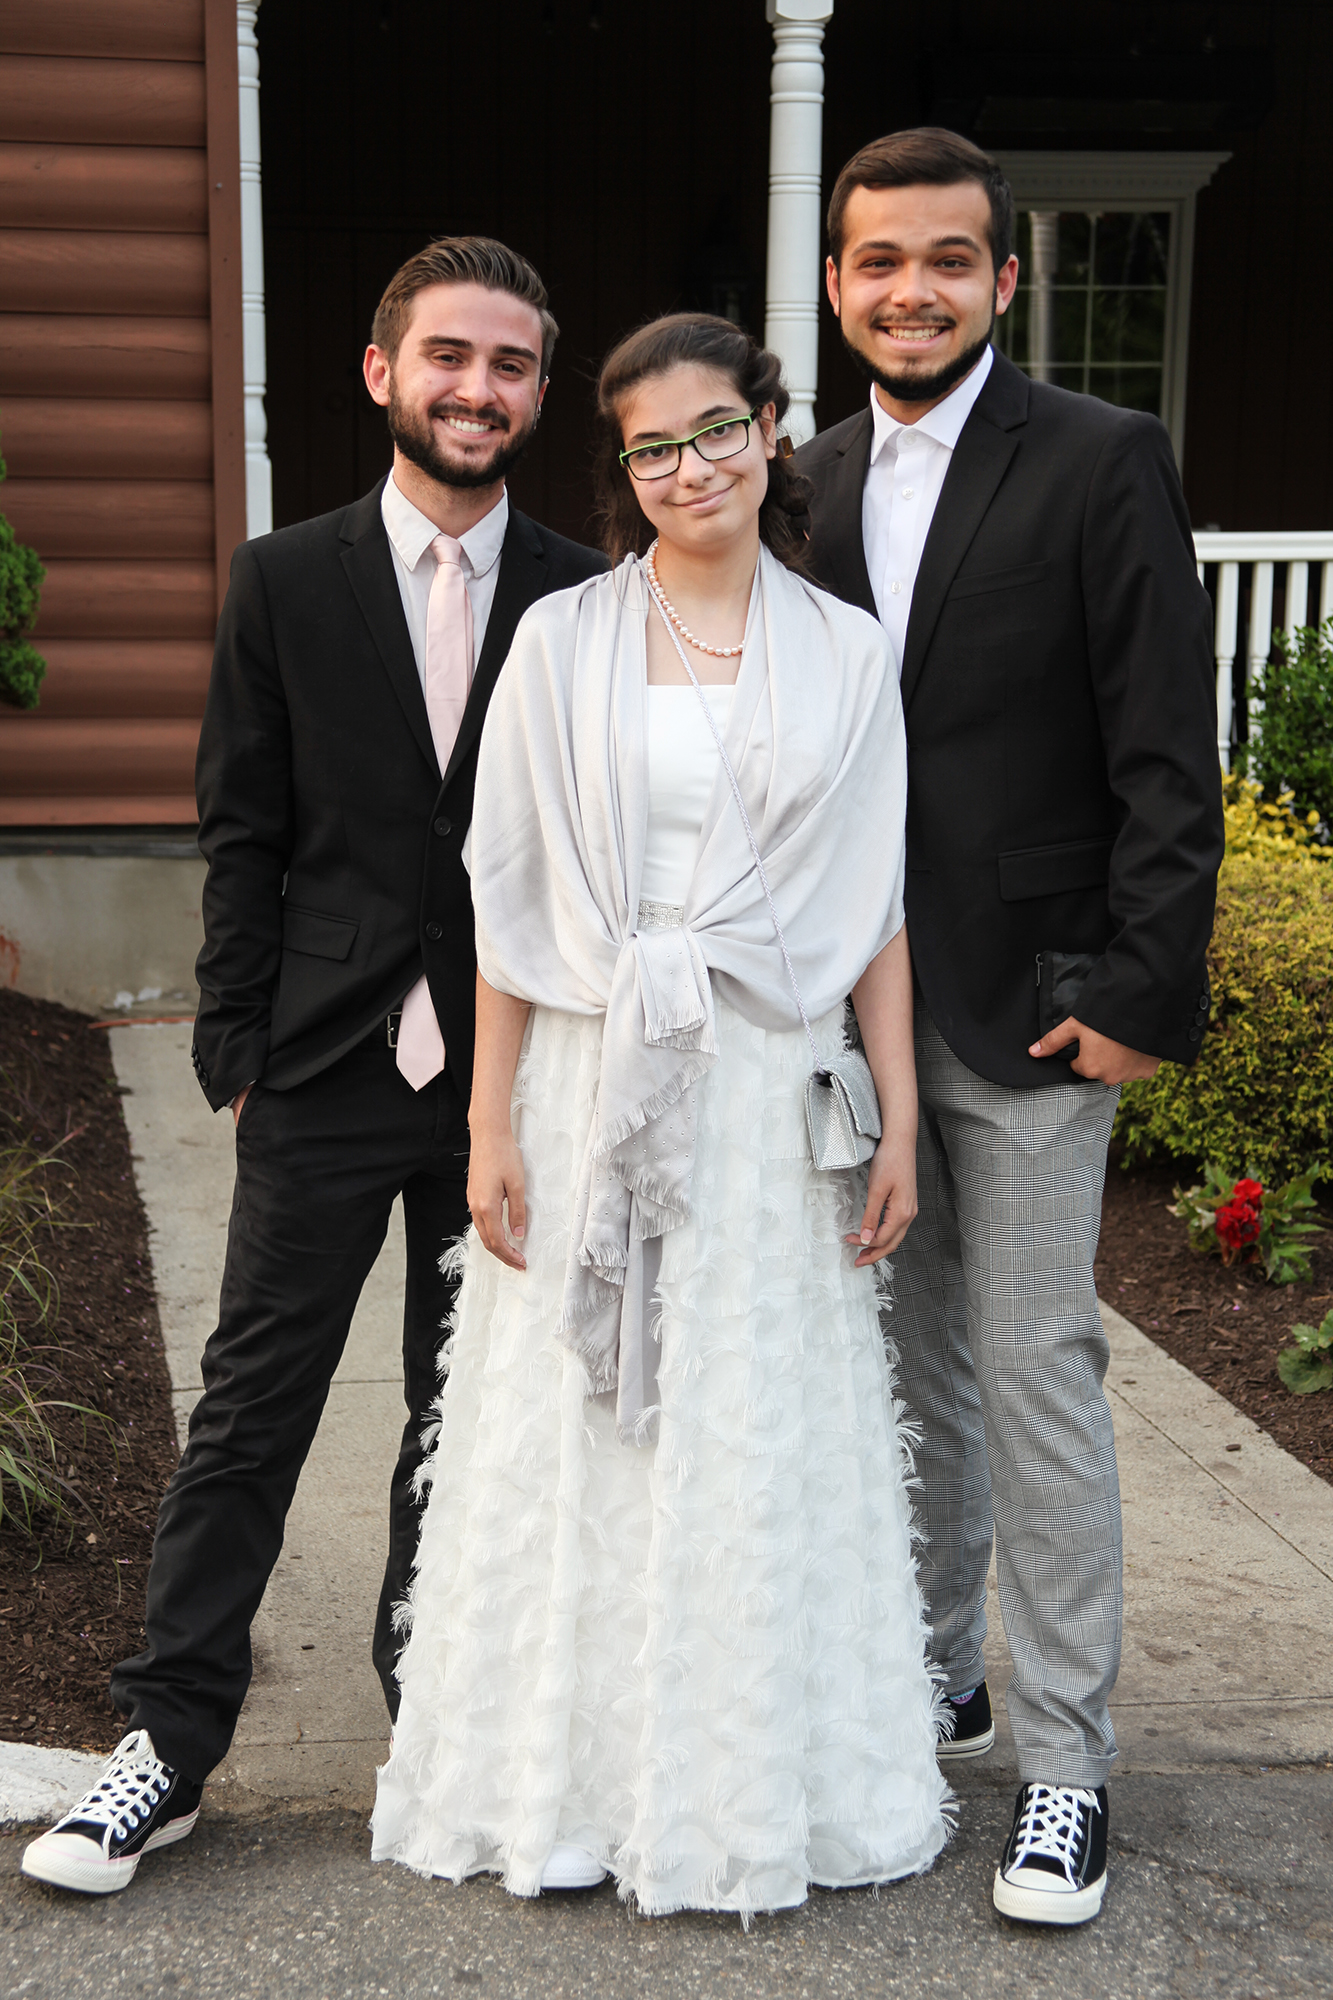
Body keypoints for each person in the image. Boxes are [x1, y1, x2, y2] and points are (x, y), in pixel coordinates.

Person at [22, 237, 607, 1898]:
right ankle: (166, 1741)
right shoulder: (285, 578)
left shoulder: (582, 594)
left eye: (506, 364)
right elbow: (244, 825)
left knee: (462, 1418)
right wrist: (234, 1047)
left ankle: (431, 1725)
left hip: (511, 1078)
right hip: (328, 1067)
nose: (474, 388)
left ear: (537, 393)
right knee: (253, 1409)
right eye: (446, 357)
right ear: (381, 372)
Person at [370, 313, 952, 1913]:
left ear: (771, 429)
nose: (687, 468)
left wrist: (898, 1117)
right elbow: (505, 895)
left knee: (746, 1433)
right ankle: (560, 1795)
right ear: (620, 469)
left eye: (714, 430)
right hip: (585, 1076)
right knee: (576, 1432)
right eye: (650, 446)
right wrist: (490, 1124)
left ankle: (754, 1793)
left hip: (768, 1097)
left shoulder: (845, 649)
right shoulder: (560, 639)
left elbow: (874, 907)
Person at [795, 129, 1224, 1926]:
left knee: (1033, 1367)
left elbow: (1162, 746)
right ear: (835, 285)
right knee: (905, 1369)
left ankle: (1062, 1763)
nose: (911, 288)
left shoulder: (1102, 458)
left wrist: (1138, 993)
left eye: (945, 259)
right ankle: (933, 1675)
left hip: (1039, 1015)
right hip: (845, 1015)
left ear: (1002, 278)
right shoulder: (799, 480)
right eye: (878, 260)